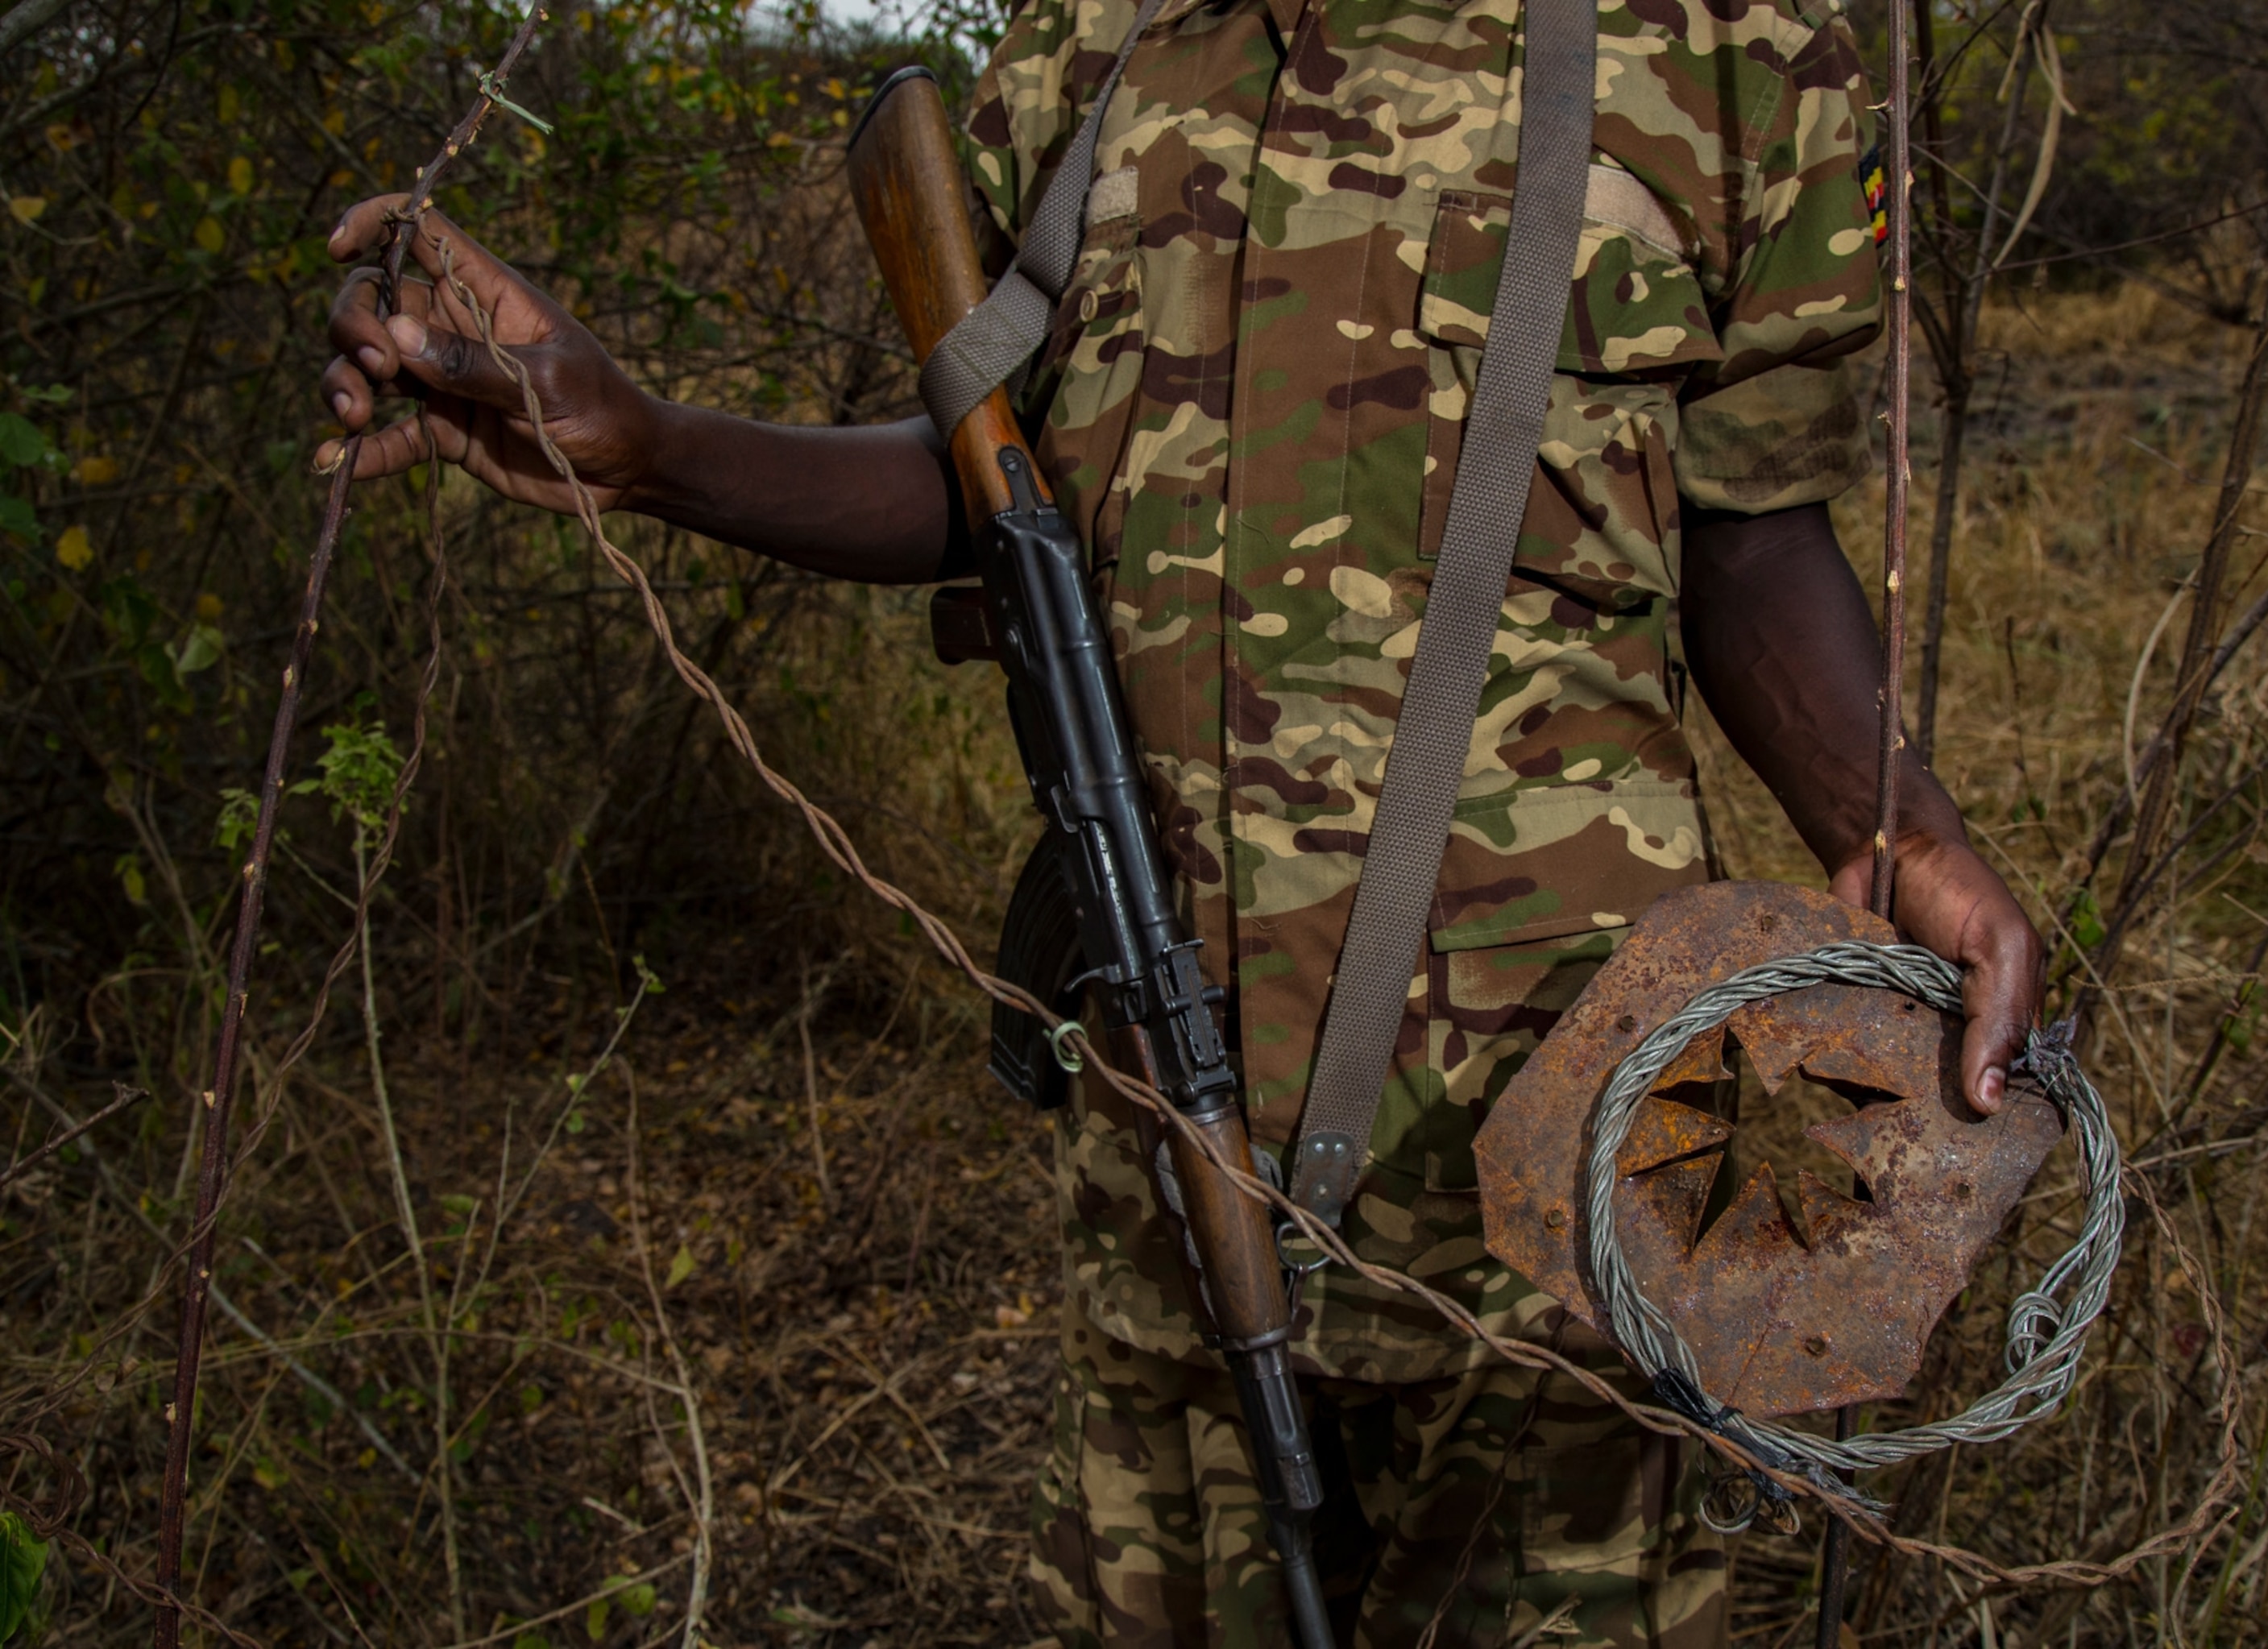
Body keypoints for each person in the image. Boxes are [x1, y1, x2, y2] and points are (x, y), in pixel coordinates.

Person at [318, 0, 2046, 1640]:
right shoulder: (1096, 48)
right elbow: (984, 485)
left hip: (1575, 1163)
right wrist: (644, 446)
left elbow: (1755, 535)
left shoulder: (1736, 58)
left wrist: (1907, 834)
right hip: (1173, 1154)